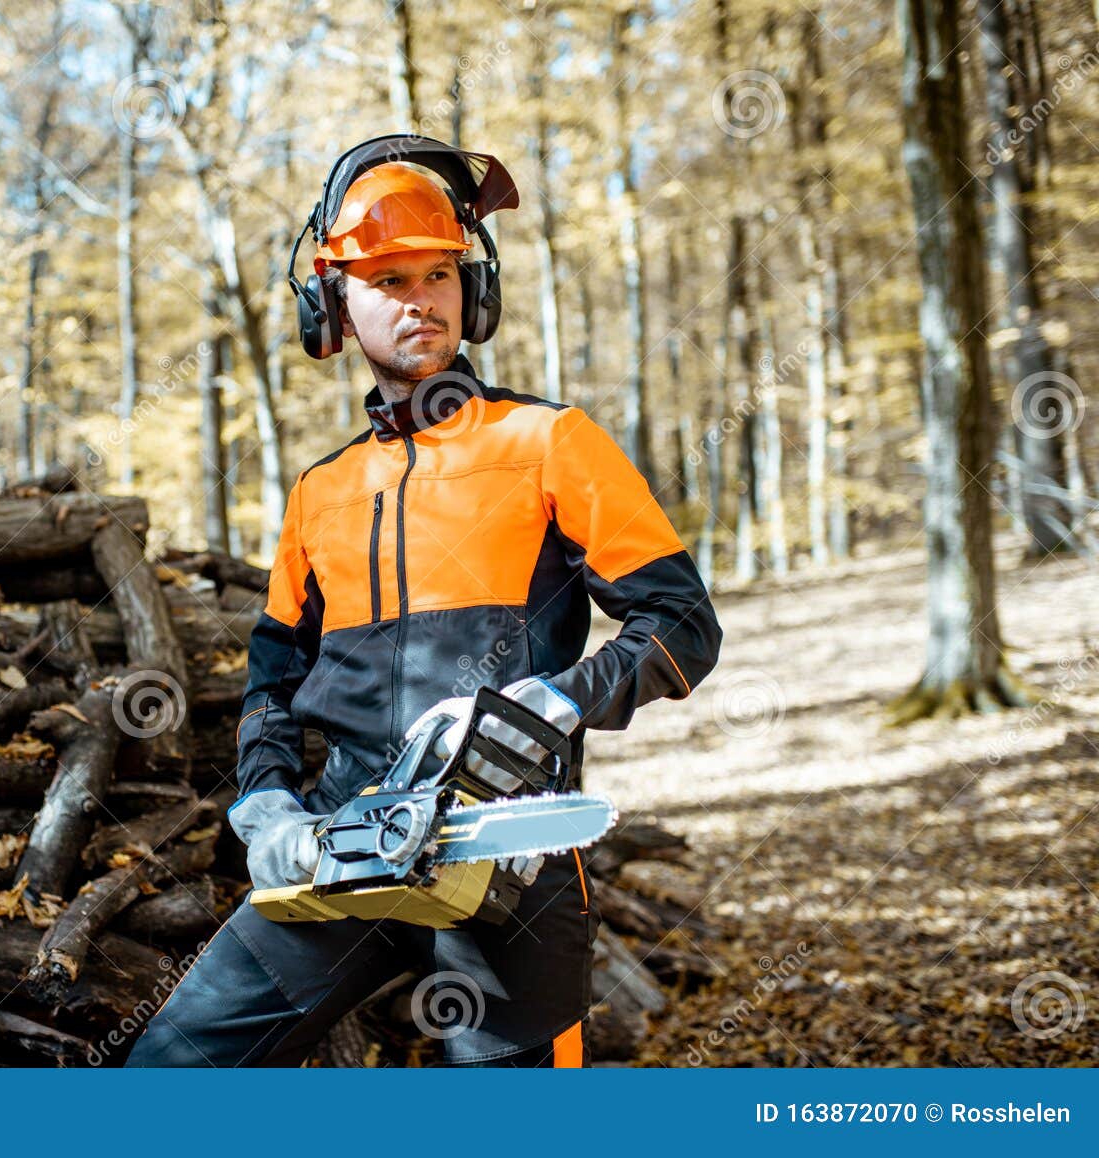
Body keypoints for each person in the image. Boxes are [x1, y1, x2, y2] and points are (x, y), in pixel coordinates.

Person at [125, 136, 722, 1067]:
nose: (420, 300)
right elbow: (272, 684)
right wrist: (267, 805)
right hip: (340, 841)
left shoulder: (549, 442)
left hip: (509, 853)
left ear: (473, 293)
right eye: (389, 278)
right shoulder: (321, 491)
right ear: (334, 305)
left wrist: (561, 698)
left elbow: (681, 625)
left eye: (439, 274)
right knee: (174, 1065)